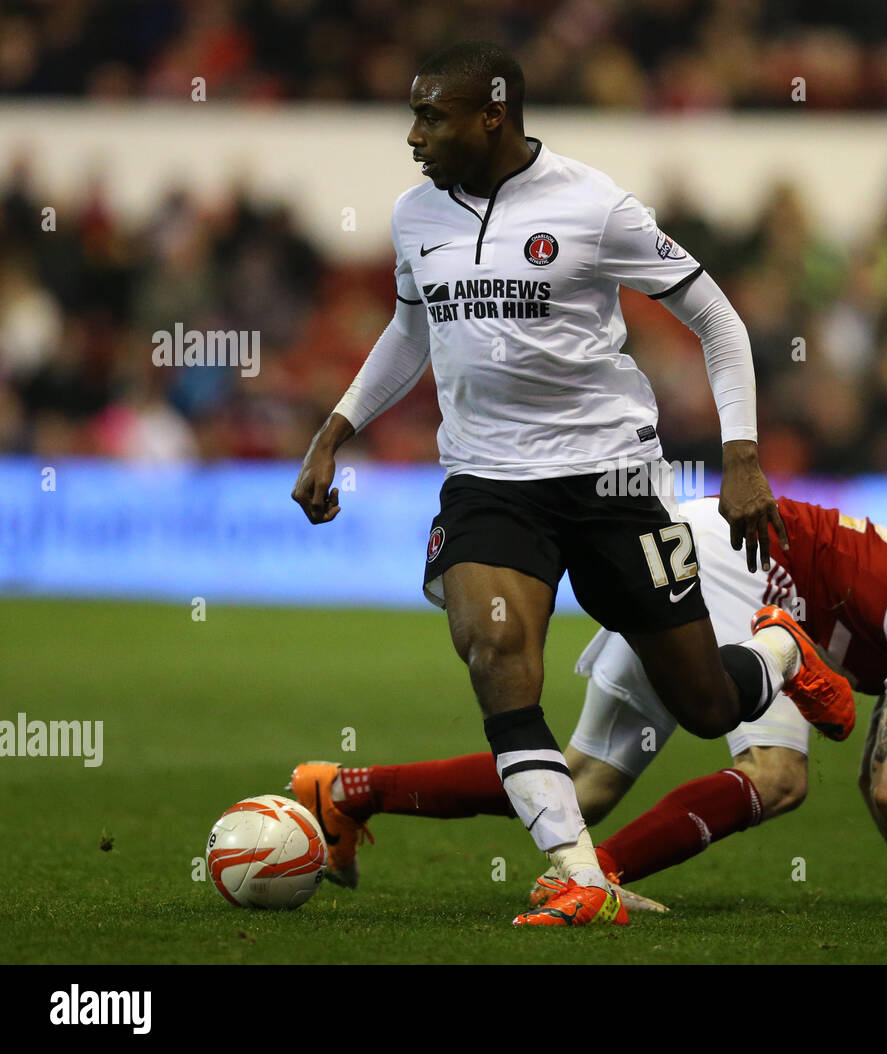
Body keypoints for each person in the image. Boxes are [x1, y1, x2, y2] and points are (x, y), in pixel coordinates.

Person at [290, 42, 853, 927]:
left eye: (431, 116)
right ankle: (578, 873)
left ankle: (781, 648)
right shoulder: (412, 216)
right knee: (496, 655)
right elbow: (410, 330)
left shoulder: (594, 207)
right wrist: (336, 429)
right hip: (488, 482)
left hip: (612, 479)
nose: (413, 136)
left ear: (493, 115)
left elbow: (716, 317)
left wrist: (743, 458)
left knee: (705, 705)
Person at [291, 495, 887, 917]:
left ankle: (347, 793)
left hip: (698, 545)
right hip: (735, 573)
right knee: (778, 775)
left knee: (581, 783)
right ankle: (596, 879)